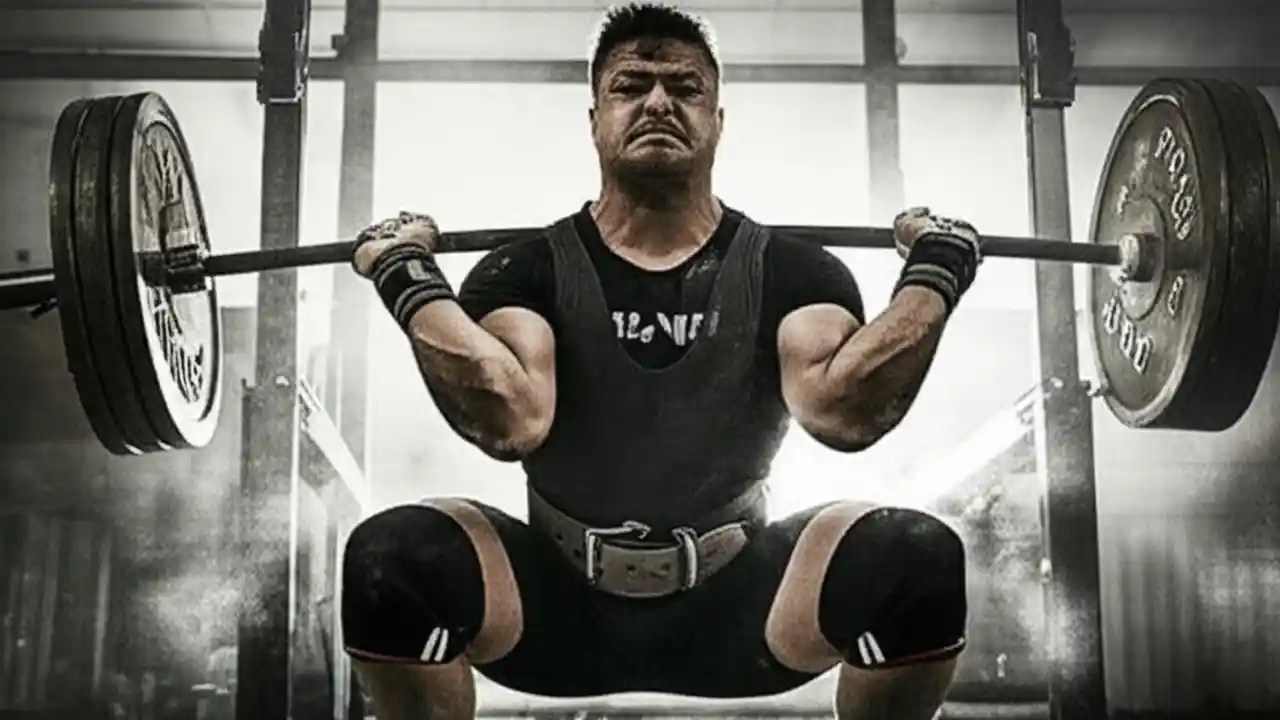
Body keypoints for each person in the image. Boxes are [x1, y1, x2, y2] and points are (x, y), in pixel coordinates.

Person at [341, 4, 983, 719]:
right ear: (595, 119)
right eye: (630, 86)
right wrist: (406, 275)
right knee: (392, 556)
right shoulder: (524, 270)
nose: (657, 102)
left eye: (684, 88)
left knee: (915, 555)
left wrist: (936, 268)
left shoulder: (794, 271)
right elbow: (511, 418)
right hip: (555, 608)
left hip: (746, 609)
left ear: (717, 120)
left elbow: (845, 412)